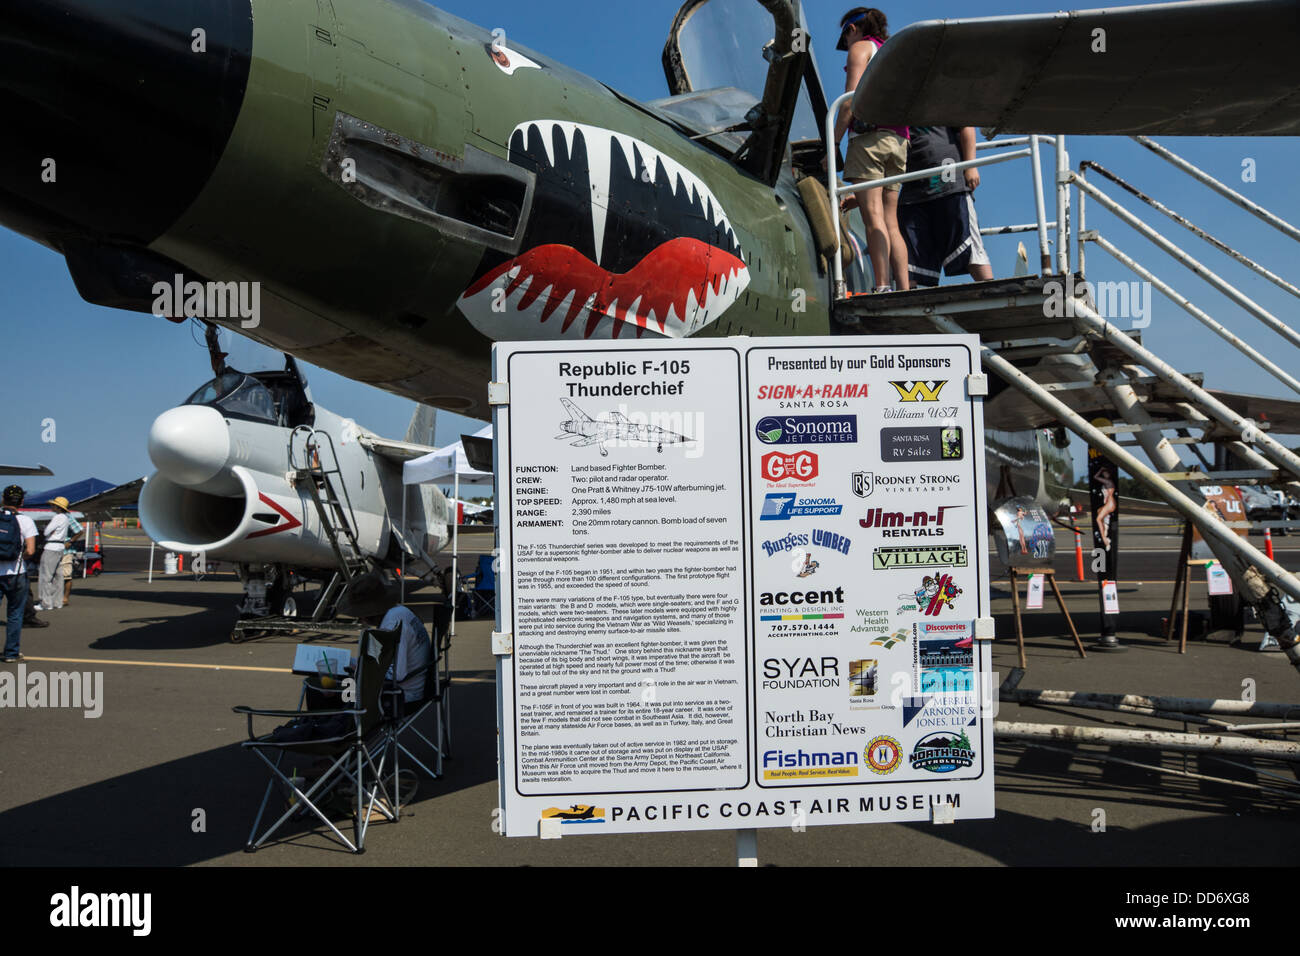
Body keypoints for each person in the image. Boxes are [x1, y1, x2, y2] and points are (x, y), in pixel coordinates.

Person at [833, 7, 909, 293]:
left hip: (869, 140)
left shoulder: (860, 48)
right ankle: (903, 288)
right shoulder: (889, 53)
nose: (846, 48)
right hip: (899, 140)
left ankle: (881, 285)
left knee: (872, 216)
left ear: (853, 30)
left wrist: (832, 143)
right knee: (891, 221)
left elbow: (849, 102)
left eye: (845, 40)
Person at [898, 126, 994, 287]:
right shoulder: (897, 107)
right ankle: (905, 300)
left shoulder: (941, 102)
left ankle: (991, 288)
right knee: (910, 257)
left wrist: (971, 165)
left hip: (949, 184)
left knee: (968, 245)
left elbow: (966, 125)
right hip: (912, 191)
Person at [1, 486, 39, 663]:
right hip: (17, 573)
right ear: (22, 501)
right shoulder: (26, 521)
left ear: (3, 499)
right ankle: (11, 653)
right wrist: (18, 558)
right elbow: (31, 550)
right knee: (15, 614)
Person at [35, 496, 81, 611]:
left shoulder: (57, 517)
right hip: (60, 547)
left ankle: (45, 602)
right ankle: (57, 601)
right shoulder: (66, 518)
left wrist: (49, 530)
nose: (51, 506)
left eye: (53, 505)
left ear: (57, 507)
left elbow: (46, 532)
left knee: (46, 576)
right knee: (58, 576)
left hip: (51, 546)